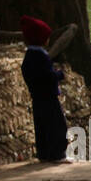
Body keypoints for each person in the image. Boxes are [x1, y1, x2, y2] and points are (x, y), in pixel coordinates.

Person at [19, 16, 68, 163]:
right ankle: (57, 154)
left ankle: (44, 154)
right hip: (48, 97)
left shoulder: (29, 56)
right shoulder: (41, 57)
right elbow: (48, 75)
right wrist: (60, 74)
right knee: (57, 126)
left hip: (37, 97)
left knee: (41, 127)